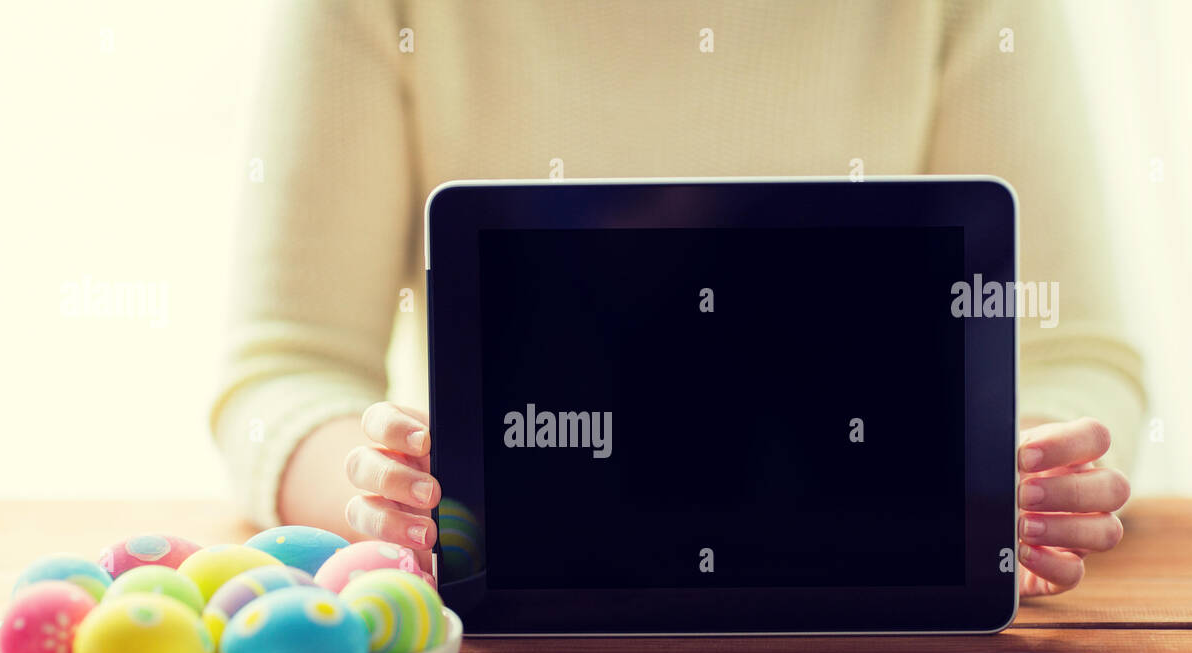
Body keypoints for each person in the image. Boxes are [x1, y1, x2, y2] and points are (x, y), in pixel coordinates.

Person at [211, 0, 1143, 598]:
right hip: (519, 645)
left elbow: (1075, 354)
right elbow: (284, 370)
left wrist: (1033, 473)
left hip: (876, 605)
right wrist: (380, 496)